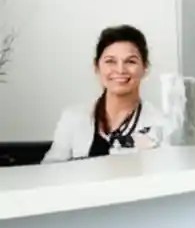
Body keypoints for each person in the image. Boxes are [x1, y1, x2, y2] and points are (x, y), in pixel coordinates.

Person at [43, 25, 167, 163]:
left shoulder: (160, 124)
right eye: (110, 61)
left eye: (130, 61)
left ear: (145, 68)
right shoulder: (73, 118)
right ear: (97, 67)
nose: (120, 70)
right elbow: (51, 170)